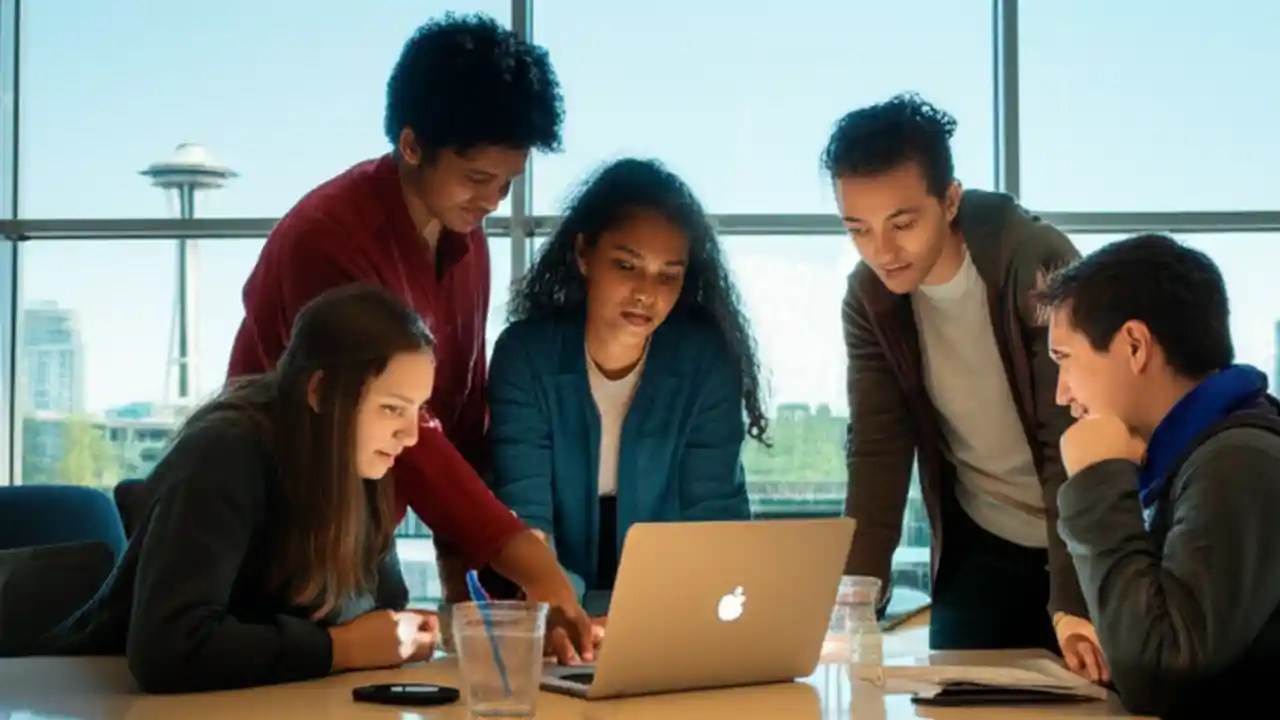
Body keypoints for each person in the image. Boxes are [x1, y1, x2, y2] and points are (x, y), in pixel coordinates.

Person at [225, 13, 593, 660]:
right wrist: (527, 560)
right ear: (413, 144)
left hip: (358, 542)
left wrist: (475, 581)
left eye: (508, 183)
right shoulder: (328, 238)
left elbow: (460, 413)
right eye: (477, 178)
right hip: (272, 538)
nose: (493, 200)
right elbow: (405, 426)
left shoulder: (466, 242)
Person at [25, 285, 447, 692]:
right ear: (320, 392)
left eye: (418, 410)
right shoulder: (224, 454)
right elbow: (170, 649)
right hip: (80, 698)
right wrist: (341, 649)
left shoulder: (356, 461)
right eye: (391, 408)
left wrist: (403, 633)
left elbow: (382, 606)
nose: (410, 435)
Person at [824, 92, 1101, 672]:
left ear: (949, 200)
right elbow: (877, 447)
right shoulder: (869, 298)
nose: (882, 251)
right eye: (859, 230)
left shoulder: (1033, 260)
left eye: (902, 223)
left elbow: (1069, 437)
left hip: (1080, 537)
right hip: (980, 542)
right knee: (954, 701)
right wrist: (856, 596)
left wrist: (1073, 602)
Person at [487, 158, 764, 617]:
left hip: (672, 613)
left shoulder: (705, 361)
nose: (645, 292)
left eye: (668, 274)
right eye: (626, 265)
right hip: (547, 609)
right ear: (583, 254)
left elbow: (714, 520)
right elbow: (524, 517)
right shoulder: (525, 356)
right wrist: (561, 609)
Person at [1044, 233, 1280, 716]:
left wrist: (1097, 480)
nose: (1061, 394)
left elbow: (1158, 675)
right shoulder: (1198, 456)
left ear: (1135, 345)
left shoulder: (1237, 463)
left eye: (1065, 360)